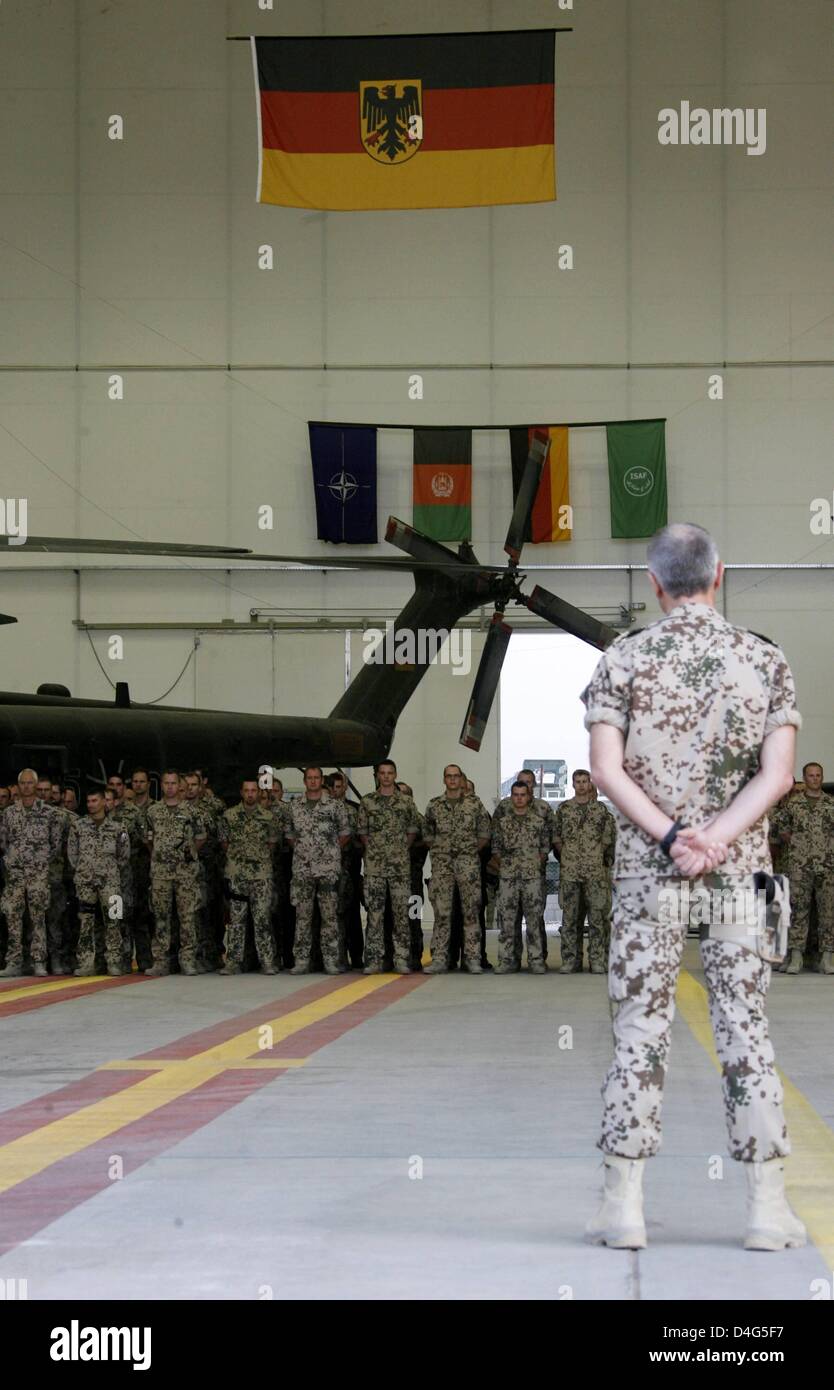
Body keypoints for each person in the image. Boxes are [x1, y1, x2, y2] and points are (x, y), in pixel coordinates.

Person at [583, 521, 805, 1252]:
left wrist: (674, 838)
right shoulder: (764, 658)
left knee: (639, 1030)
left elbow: (607, 771)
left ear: (654, 584)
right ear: (719, 575)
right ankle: (766, 1211)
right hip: (738, 874)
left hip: (651, 875)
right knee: (745, 1028)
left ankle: (622, 1206)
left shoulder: (623, 658)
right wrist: (716, 839)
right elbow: (778, 775)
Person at [423, 765, 490, 974]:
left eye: (456, 776)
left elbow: (484, 833)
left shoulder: (474, 804)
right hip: (442, 866)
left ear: (461, 779)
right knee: (442, 913)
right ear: (444, 779)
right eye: (449, 776)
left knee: (471, 912)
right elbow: (427, 834)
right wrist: (440, 851)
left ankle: (472, 959)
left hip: (467, 865)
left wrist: (469, 851)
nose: (452, 780)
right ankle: (440, 959)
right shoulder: (434, 805)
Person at [769, 762, 834, 975]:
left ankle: (826, 957)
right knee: (798, 911)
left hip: (827, 867)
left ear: (821, 777)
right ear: (804, 778)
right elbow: (780, 829)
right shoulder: (793, 805)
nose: (815, 779)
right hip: (800, 867)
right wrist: (798, 843)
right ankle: (796, 956)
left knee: (828, 912)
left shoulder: (830, 804)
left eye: (818, 775)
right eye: (811, 775)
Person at [285, 766, 350, 974]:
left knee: (329, 916)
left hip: (327, 869)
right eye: (309, 778)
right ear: (305, 781)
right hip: (303, 869)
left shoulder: (334, 805)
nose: (313, 781)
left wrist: (330, 851)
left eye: (316, 778)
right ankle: (302, 960)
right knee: (302, 917)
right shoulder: (294, 806)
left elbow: (345, 833)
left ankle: (330, 960)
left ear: (321, 780)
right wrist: (304, 851)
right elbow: (289, 835)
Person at [357, 760, 418, 974]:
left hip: (399, 867)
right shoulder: (367, 801)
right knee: (375, 915)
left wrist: (399, 849)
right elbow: (363, 832)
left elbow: (412, 830)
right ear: (377, 775)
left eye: (389, 773)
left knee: (401, 914)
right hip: (375, 867)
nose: (386, 776)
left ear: (395, 775)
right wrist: (377, 850)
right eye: (382, 773)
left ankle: (401, 959)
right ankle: (374, 959)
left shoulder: (406, 802)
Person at [553, 769, 616, 974]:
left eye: (584, 781)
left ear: (590, 784)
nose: (581, 785)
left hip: (594, 873)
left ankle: (597, 960)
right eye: (577, 781)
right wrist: (567, 854)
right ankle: (571, 960)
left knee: (597, 918)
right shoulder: (564, 809)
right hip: (570, 872)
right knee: (570, 919)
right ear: (572, 784)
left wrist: (594, 855)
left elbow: (608, 839)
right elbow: (556, 837)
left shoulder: (600, 810)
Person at [0, 769, 62, 977]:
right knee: (12, 917)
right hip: (15, 876)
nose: (26, 787)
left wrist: (39, 862)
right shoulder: (9, 813)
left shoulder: (49, 813)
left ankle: (38, 961)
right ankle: (14, 961)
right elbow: (4, 842)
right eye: (23, 783)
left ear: (36, 785)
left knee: (38, 917)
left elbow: (55, 845)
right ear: (18, 786)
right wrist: (14, 861)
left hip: (38, 874)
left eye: (30, 783)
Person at [145, 770, 206, 976]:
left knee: (187, 917)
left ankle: (187, 960)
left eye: (173, 783)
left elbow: (200, 837)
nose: (170, 787)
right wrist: (160, 855)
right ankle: (161, 961)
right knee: (161, 917)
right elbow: (148, 839)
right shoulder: (153, 811)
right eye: (166, 783)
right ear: (161, 785)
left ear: (180, 786)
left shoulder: (191, 811)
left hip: (185, 873)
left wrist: (187, 854)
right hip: (160, 873)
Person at [217, 779, 279, 974]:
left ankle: (267, 961)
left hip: (261, 875)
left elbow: (272, 843)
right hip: (237, 875)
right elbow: (224, 843)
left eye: (254, 790)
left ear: (258, 792)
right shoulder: (229, 816)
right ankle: (233, 962)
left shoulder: (268, 817)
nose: (250, 794)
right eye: (247, 790)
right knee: (236, 920)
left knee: (262, 919)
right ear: (241, 792)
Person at [67, 790, 131, 976]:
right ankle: (87, 963)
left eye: (95, 800)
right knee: (85, 922)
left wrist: (108, 869)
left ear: (104, 802)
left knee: (114, 920)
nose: (91, 804)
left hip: (111, 882)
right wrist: (85, 869)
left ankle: (114, 962)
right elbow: (72, 854)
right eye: (88, 801)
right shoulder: (78, 826)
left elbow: (124, 855)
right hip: (85, 883)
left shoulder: (119, 827)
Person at [491, 781, 550, 973]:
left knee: (534, 921)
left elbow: (544, 849)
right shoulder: (503, 823)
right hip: (508, 878)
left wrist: (533, 864)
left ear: (528, 797)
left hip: (532, 878)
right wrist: (507, 866)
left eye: (522, 795)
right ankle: (507, 961)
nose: (519, 798)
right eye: (515, 795)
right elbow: (496, 849)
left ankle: (536, 960)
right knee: (507, 921)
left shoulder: (538, 822)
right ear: (511, 797)